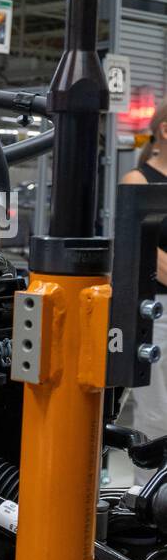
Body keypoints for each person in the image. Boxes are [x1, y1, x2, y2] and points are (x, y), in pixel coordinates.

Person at [120, 100, 167, 481]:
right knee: (157, 413)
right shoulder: (139, 180)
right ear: (164, 130)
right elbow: (142, 250)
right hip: (157, 311)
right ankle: (148, 498)